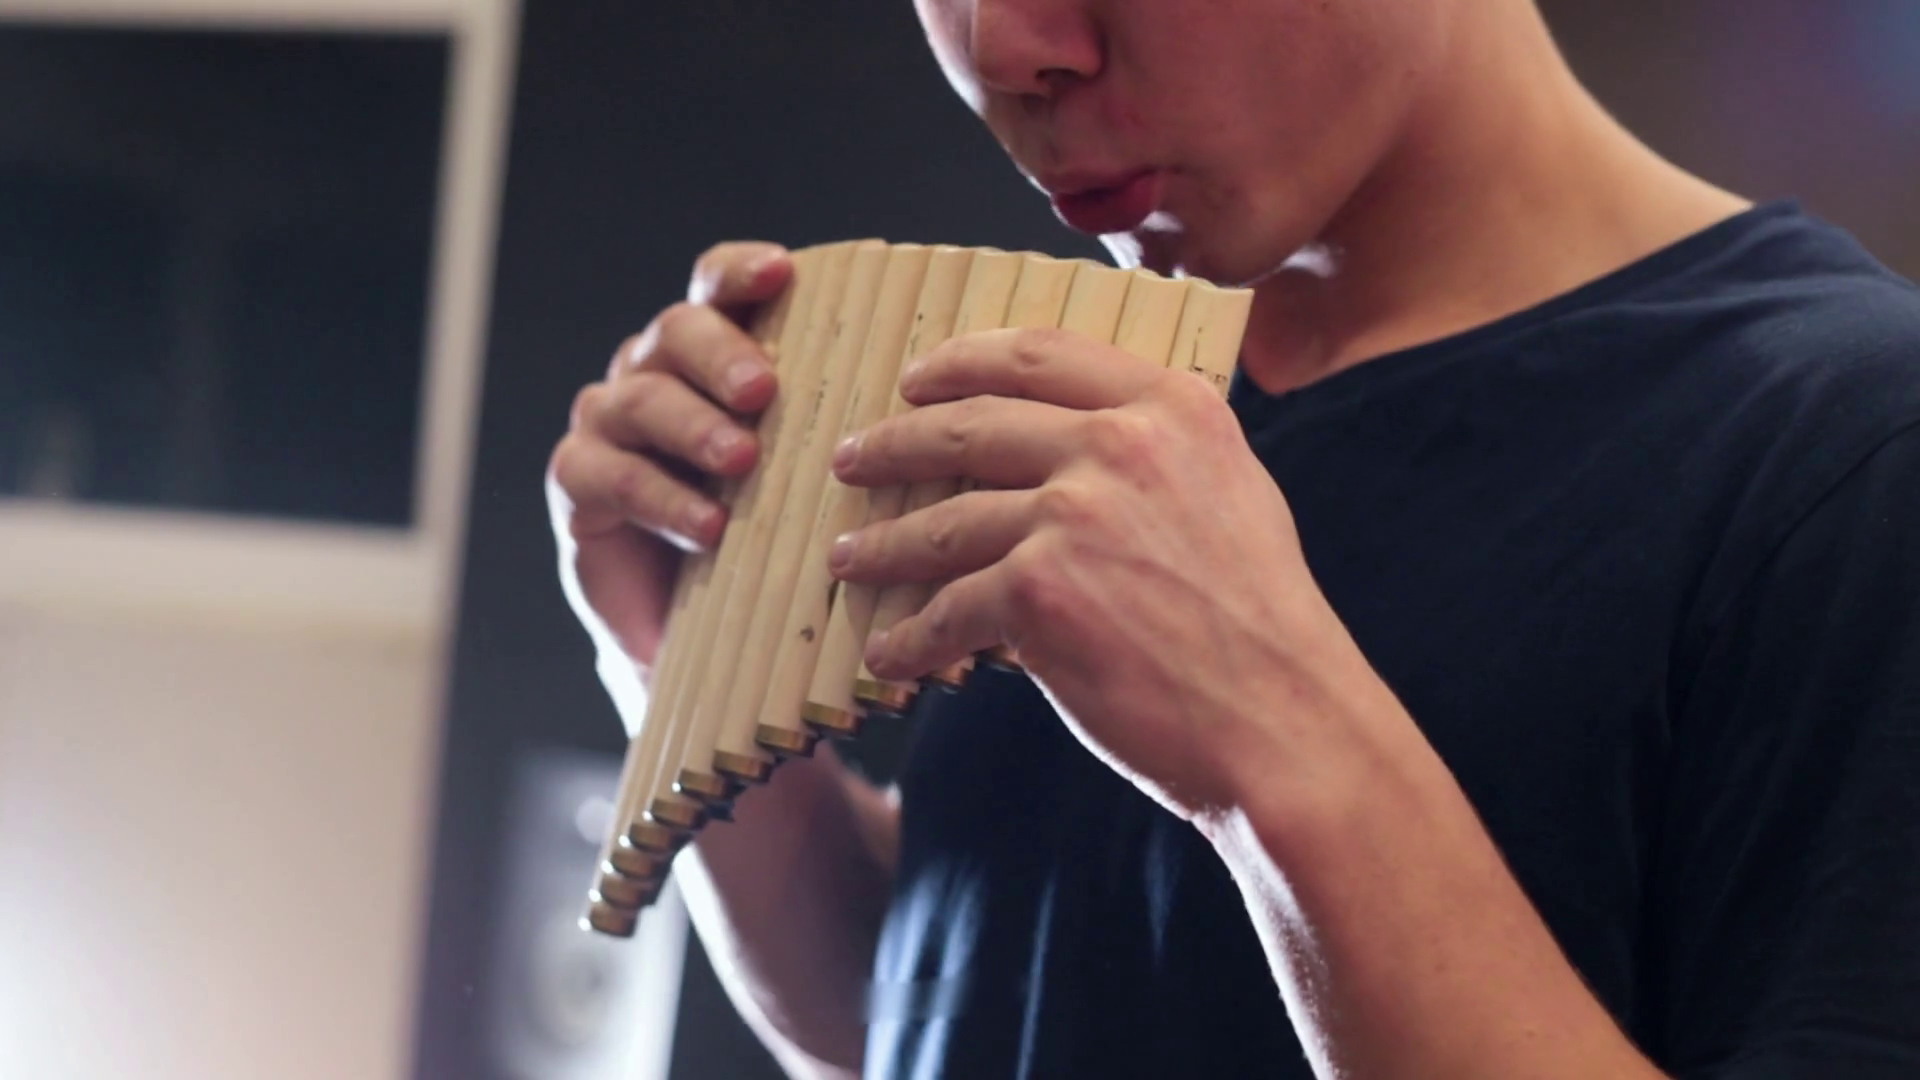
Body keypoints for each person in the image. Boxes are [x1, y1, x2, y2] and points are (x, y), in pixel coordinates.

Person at [545, 0, 1920, 1076]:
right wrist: (674, 641)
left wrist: (1281, 748)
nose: (1006, 45)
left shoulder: (1851, 450)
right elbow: (907, 1018)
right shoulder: (1075, 376)